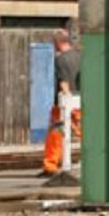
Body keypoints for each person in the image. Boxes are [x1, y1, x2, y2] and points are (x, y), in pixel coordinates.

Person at [42, 29, 82, 176]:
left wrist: (66, 100)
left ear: (57, 43)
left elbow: (63, 82)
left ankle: (51, 165)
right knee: (81, 132)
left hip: (64, 103)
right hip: (80, 100)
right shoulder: (80, 56)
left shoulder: (61, 59)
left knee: (56, 133)